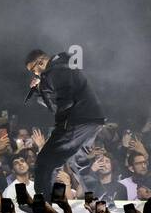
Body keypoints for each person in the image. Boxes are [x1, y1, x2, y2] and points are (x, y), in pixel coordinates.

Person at [24, 49, 107, 201]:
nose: (35, 74)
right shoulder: (62, 67)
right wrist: (41, 90)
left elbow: (62, 104)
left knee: (45, 160)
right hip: (92, 119)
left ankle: (42, 204)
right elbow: (58, 102)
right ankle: (104, 200)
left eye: (34, 70)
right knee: (78, 162)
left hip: (76, 120)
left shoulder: (54, 71)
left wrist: (42, 89)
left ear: (41, 62)